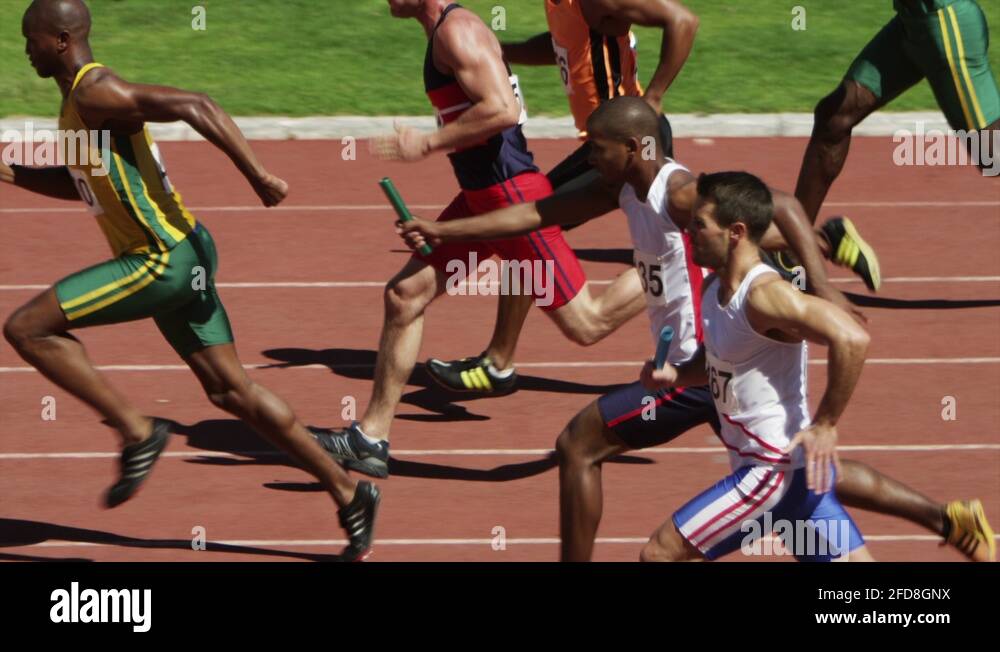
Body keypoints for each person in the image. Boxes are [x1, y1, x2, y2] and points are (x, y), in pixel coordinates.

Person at [398, 96, 996, 562]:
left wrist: (825, 286)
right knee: (791, 467)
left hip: (706, 361)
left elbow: (780, 203)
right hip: (702, 364)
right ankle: (948, 520)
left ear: (635, 147)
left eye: (597, 147)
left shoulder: (681, 193)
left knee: (580, 446)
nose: (588, 154)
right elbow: (540, 214)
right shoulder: (621, 185)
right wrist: (447, 233)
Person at [2, 0, 378, 560]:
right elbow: (77, 178)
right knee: (233, 392)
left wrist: (259, 175)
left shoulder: (93, 91)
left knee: (28, 329)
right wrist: (6, 169)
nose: (24, 50)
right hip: (188, 253)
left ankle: (136, 430)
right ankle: (350, 490)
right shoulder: (78, 103)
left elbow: (195, 103)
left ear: (58, 39)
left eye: (29, 39)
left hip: (161, 259)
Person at [426, 0, 881, 396]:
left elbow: (682, 19)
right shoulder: (563, 3)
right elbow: (565, 45)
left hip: (627, 146)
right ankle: (824, 241)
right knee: (667, 234)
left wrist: (656, 97)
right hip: (608, 145)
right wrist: (504, 52)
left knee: (536, 229)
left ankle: (498, 362)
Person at [639, 170, 873, 562]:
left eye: (699, 224)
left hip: (772, 472)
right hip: (797, 477)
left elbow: (853, 338)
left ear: (735, 232)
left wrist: (827, 423)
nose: (689, 232)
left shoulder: (766, 295)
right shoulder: (714, 289)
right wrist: (676, 375)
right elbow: (717, 360)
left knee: (660, 554)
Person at [791, 0, 999, 287]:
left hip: (947, 25)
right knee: (834, 119)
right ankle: (789, 255)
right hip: (911, 25)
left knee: (993, 156)